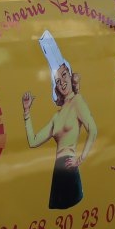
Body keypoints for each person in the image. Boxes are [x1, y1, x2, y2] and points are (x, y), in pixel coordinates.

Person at [23, 31, 97, 210]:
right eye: (57, 80)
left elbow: (92, 130)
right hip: (58, 173)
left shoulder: (77, 101)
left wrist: (80, 159)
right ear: (55, 87)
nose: (62, 82)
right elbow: (33, 141)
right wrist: (26, 112)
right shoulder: (56, 116)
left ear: (70, 75)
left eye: (64, 75)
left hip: (70, 170)